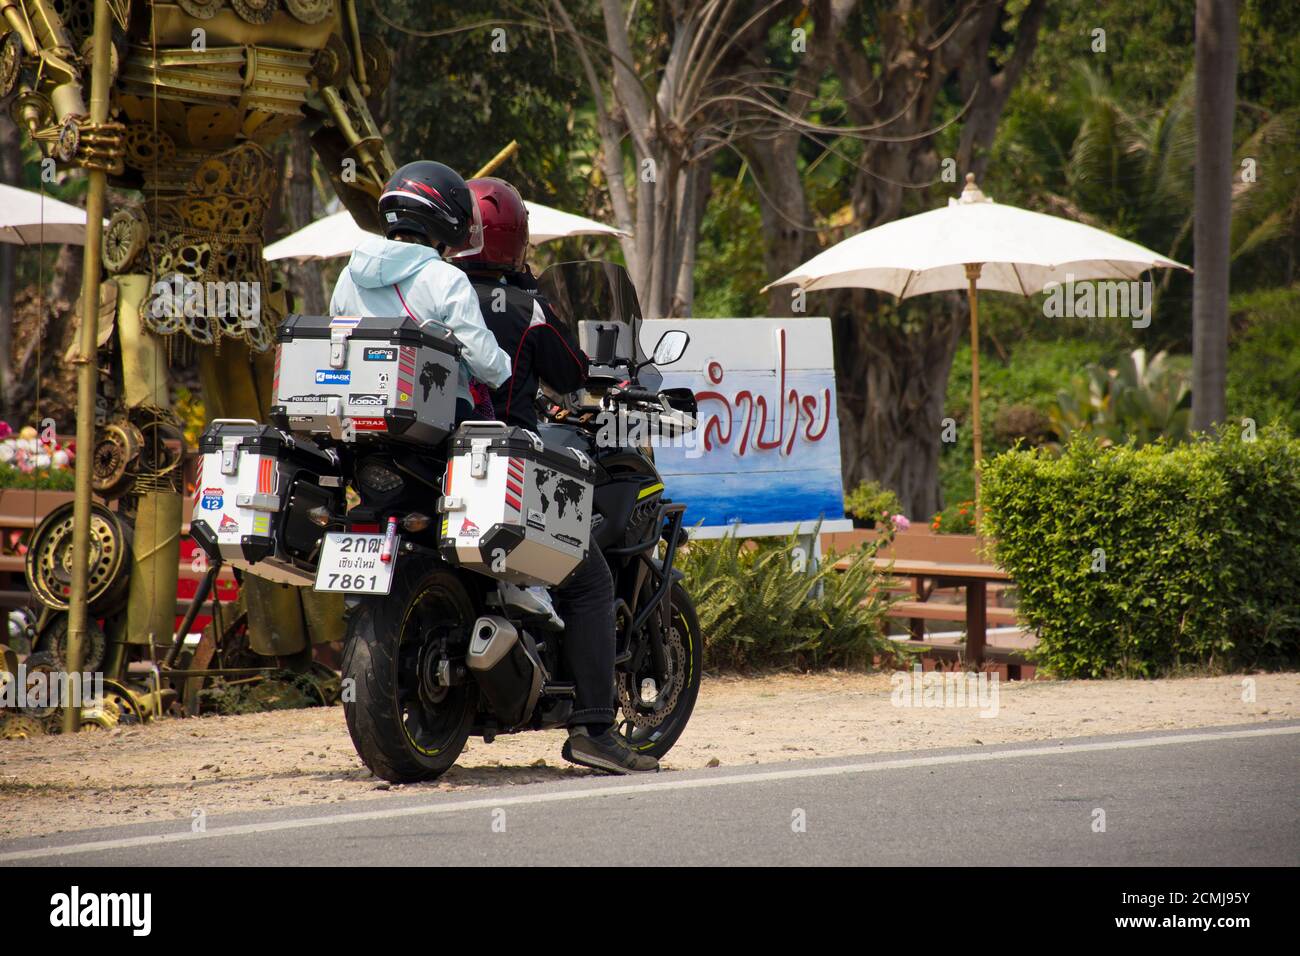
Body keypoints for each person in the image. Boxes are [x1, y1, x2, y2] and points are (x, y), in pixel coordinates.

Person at [459, 176, 657, 774]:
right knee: (590, 581)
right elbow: (572, 369)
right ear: (513, 240)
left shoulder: (432, 291)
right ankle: (595, 729)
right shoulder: (524, 309)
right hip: (505, 463)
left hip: (439, 463)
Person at [330, 161, 511, 418]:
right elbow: (487, 364)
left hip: (355, 412)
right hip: (433, 417)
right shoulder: (447, 278)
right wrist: (505, 366)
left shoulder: (348, 274)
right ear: (443, 218)